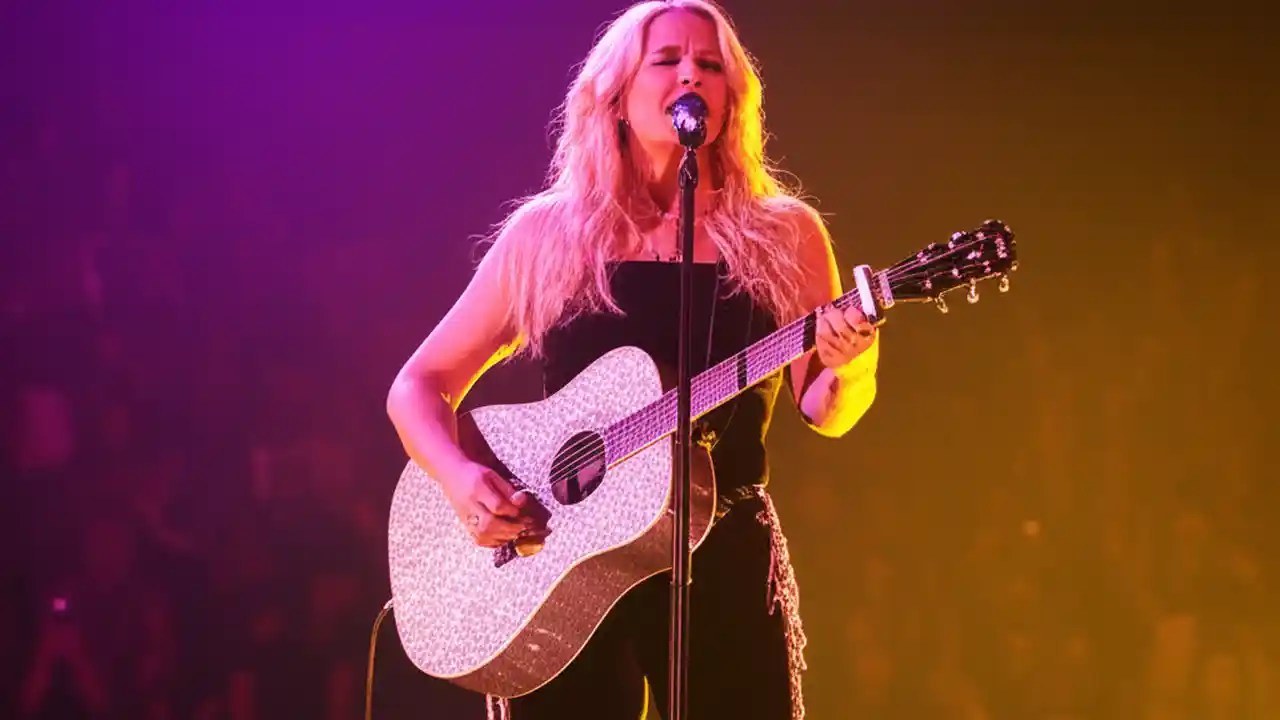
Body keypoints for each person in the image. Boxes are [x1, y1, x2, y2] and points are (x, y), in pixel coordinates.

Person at [380, 1, 880, 718]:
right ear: (616, 93)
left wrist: (851, 360)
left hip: (722, 555)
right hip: (558, 559)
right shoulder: (549, 235)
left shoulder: (784, 234)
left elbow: (826, 408)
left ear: (734, 95)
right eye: (668, 59)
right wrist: (464, 482)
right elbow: (418, 387)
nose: (690, 74)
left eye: (710, 64)